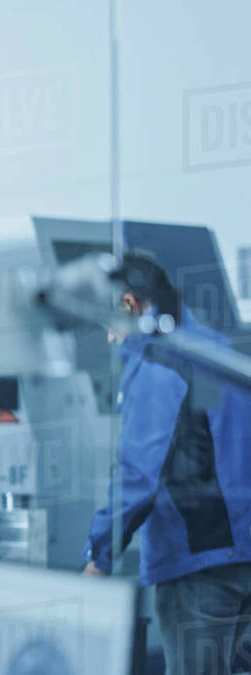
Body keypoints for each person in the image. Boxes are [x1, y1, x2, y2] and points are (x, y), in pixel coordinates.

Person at [82, 251, 251, 675]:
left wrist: (99, 556)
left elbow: (139, 472)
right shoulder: (218, 349)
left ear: (130, 305)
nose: (109, 338)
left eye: (108, 325)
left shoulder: (160, 360)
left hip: (198, 564)